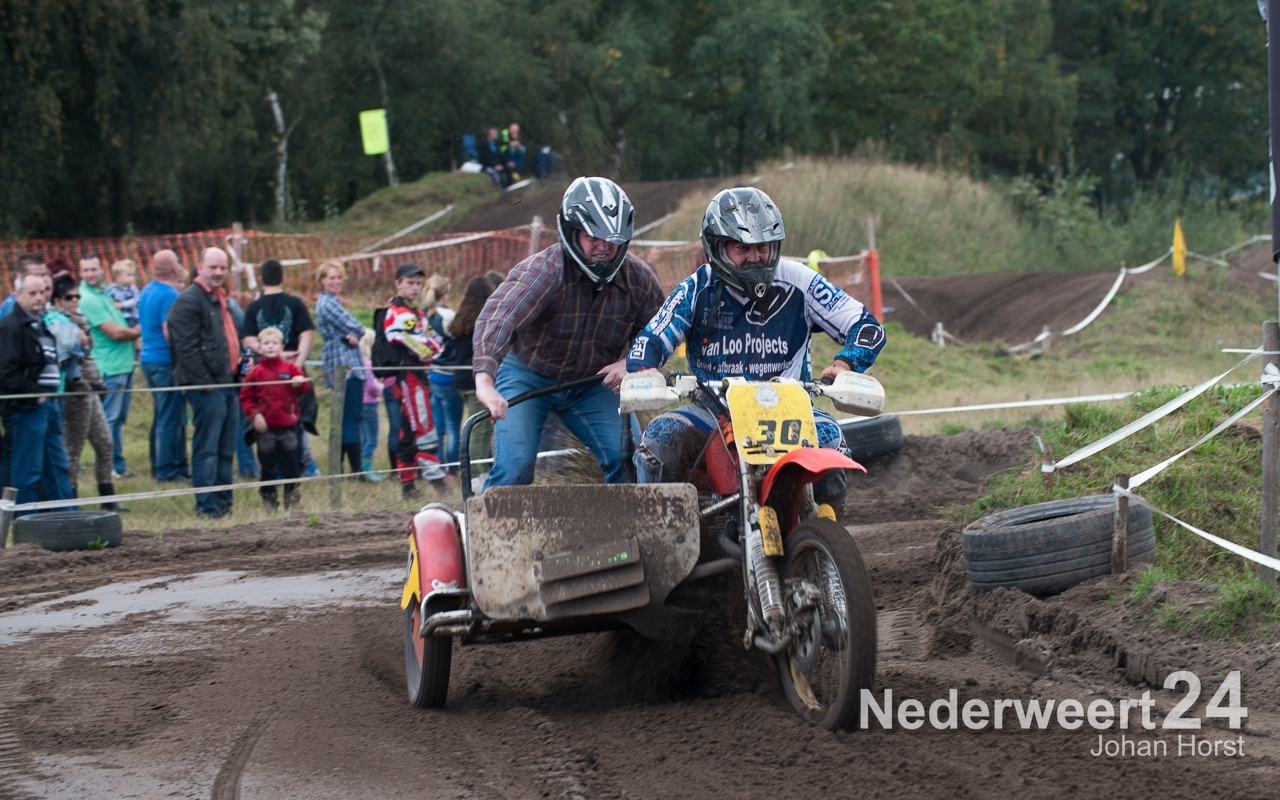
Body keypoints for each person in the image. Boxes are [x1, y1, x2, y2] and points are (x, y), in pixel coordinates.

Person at [625, 187, 887, 518]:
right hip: (713, 412)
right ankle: (662, 540)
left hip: (789, 409)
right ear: (718, 248)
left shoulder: (800, 280)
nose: (754, 257)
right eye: (742, 248)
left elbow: (867, 327)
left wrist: (845, 361)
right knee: (660, 439)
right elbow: (651, 339)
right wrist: (646, 369)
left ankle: (825, 537)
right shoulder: (697, 288)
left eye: (761, 247)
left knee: (831, 438)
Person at [472, 176, 664, 489]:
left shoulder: (638, 278)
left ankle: (626, 534)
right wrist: (484, 381)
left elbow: (659, 329)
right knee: (515, 468)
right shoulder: (544, 271)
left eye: (612, 239)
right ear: (573, 233)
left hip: (592, 382)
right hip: (528, 373)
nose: (603, 248)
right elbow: (498, 316)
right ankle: (486, 531)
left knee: (630, 456)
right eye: (593, 237)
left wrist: (631, 363)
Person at [168, 247, 240, 519]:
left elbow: (233, 339)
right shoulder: (189, 300)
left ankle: (223, 505)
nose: (219, 272)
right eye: (213, 267)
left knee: (225, 448)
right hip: (208, 388)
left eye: (223, 267)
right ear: (200, 267)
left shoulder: (221, 299)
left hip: (229, 383)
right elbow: (184, 348)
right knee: (207, 448)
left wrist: (241, 370)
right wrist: (205, 383)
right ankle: (206, 506)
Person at [0, 273, 76, 514]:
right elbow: (5, 371)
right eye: (32, 293)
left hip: (49, 403)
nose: (39, 297)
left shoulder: (39, 322)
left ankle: (67, 518)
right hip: (27, 408)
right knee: (28, 469)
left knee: (57, 464)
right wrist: (35, 393)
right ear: (18, 295)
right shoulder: (12, 326)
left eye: (42, 292)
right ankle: (26, 524)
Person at [48, 275, 120, 509]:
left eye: (77, 295)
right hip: (75, 392)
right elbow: (71, 359)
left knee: (105, 443)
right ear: (58, 300)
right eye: (70, 297)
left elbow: (87, 358)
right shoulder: (57, 323)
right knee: (73, 449)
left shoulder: (80, 320)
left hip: (90, 388)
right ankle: (72, 501)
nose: (75, 300)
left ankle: (107, 498)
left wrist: (97, 383)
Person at [240, 258, 318, 476]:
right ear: (282, 278)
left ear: (262, 278)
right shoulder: (295, 303)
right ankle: (301, 466)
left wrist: (273, 357)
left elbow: (249, 340)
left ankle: (281, 469)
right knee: (297, 419)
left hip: (272, 373)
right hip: (288, 371)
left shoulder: (254, 307)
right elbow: (306, 334)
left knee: (274, 422)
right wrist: (296, 365)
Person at [383, 262, 446, 499]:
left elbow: (437, 342)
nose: (415, 287)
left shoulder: (417, 312)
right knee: (423, 425)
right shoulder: (396, 312)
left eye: (419, 283)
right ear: (398, 283)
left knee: (409, 430)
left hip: (417, 374)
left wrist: (427, 344)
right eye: (410, 283)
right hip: (406, 376)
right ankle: (437, 481)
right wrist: (426, 344)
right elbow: (423, 348)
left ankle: (408, 486)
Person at [429, 275, 500, 480]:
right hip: (476, 380)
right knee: (480, 430)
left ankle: (478, 471)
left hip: (460, 379)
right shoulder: (485, 319)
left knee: (473, 427)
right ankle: (477, 476)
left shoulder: (460, 317)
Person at [79, 253, 141, 479]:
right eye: (86, 270)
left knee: (119, 419)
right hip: (109, 366)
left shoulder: (104, 293)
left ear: (101, 269)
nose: (90, 274)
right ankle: (109, 467)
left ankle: (119, 464)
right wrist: (139, 331)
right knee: (109, 420)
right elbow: (114, 332)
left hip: (123, 364)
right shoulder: (87, 298)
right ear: (80, 273)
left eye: (93, 269)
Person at [239, 326, 311, 511]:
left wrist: (299, 383)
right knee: (268, 469)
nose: (270, 347)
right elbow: (246, 398)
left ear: (281, 346)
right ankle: (270, 505)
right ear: (260, 348)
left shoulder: (290, 368)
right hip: (266, 429)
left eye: (274, 343)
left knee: (292, 468)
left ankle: (292, 504)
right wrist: (255, 415)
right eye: (266, 343)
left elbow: (305, 388)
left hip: (288, 427)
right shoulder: (255, 373)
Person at [138, 249, 190, 482]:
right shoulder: (170, 294)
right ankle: (168, 470)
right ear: (173, 268)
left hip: (148, 359)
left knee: (162, 415)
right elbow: (171, 332)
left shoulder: (146, 291)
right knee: (171, 417)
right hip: (165, 362)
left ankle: (163, 466)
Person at [315, 260, 367, 477]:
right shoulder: (328, 304)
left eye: (339, 277)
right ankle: (354, 470)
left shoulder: (330, 301)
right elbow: (357, 327)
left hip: (341, 359)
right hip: (345, 364)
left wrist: (352, 335)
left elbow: (352, 330)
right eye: (331, 278)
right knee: (349, 418)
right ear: (322, 281)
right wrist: (356, 332)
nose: (336, 281)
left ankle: (344, 468)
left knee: (346, 417)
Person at [0, 254, 49, 320]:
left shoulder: (32, 304)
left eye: (43, 275)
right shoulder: (11, 309)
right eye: (35, 275)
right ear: (19, 276)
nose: (41, 280)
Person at [107, 258, 141, 328]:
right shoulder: (112, 288)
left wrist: (123, 304)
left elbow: (137, 299)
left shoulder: (132, 288)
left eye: (133, 275)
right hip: (118, 317)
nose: (132, 278)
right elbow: (107, 298)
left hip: (132, 317)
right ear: (118, 278)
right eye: (129, 275)